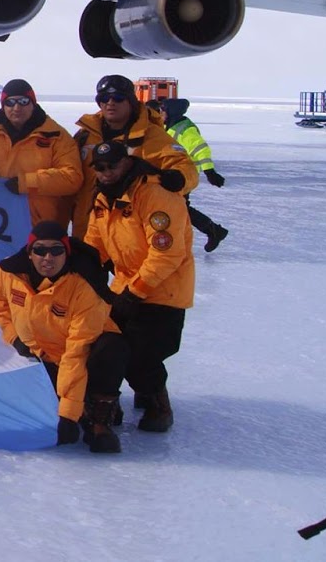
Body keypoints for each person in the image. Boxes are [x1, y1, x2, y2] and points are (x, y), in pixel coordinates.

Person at [0, 221, 128, 454]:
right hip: (44, 356)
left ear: (66, 253)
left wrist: (67, 416)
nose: (47, 257)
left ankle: (100, 416)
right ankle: (83, 406)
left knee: (112, 349)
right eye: (39, 250)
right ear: (30, 253)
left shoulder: (82, 288)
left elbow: (76, 352)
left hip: (84, 353)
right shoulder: (9, 274)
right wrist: (13, 335)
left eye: (56, 250)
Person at [81, 141, 194, 434]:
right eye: (100, 168)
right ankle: (105, 403)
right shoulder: (104, 199)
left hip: (163, 291)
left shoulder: (156, 195)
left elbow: (167, 254)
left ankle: (158, 405)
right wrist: (80, 274)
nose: (106, 173)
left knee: (142, 354)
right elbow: (94, 247)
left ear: (128, 163)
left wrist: (135, 292)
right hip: (125, 286)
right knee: (104, 347)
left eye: (112, 166)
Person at [70, 75, 197, 235]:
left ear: (130, 101)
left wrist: (179, 178)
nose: (110, 103)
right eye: (104, 98)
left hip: (132, 234)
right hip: (87, 230)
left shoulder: (151, 136)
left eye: (118, 98)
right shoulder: (85, 135)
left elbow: (186, 166)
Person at [0, 79, 84, 226]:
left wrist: (27, 183)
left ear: (33, 103)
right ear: (3, 106)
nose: (17, 107)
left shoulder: (56, 136)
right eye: (10, 102)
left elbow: (72, 178)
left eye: (23, 101)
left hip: (37, 227)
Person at [162, 98, 230, 252]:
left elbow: (201, 149)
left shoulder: (185, 130)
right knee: (179, 207)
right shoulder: (171, 126)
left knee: (178, 208)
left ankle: (210, 231)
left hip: (184, 175)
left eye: (163, 110)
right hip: (173, 174)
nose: (161, 113)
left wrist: (209, 171)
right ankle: (213, 230)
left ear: (171, 112)